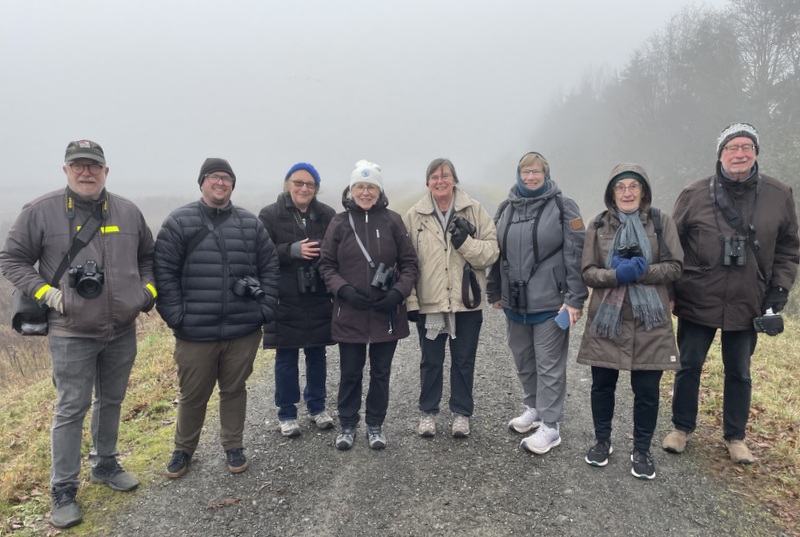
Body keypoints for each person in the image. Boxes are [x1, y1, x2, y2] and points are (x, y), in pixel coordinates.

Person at [0, 140, 156, 528]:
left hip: (121, 328)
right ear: (65, 170)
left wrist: (146, 294)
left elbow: (149, 258)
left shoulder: (128, 211)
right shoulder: (41, 210)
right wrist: (46, 294)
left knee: (112, 400)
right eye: (78, 166)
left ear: (106, 171)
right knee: (71, 409)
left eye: (93, 166)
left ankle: (105, 464)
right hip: (71, 331)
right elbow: (11, 258)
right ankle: (63, 489)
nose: (86, 172)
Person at [663, 123, 799, 464]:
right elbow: (670, 247)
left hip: (749, 299)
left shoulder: (779, 194)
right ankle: (681, 428)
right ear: (720, 154)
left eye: (746, 147)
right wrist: (668, 291)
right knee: (689, 365)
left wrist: (779, 289)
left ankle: (735, 437)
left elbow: (788, 248)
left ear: (756, 153)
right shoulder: (693, 194)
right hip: (698, 296)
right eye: (732, 148)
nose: (739, 154)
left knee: (739, 370)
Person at [154, 158, 279, 478]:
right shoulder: (179, 222)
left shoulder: (250, 224)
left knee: (234, 390)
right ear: (202, 183)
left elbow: (270, 267)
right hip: (195, 330)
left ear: (233, 185)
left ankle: (233, 445)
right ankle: (183, 450)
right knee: (193, 394)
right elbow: (163, 273)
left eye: (226, 178)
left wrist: (264, 309)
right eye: (214, 177)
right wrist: (176, 316)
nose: (220, 183)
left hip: (243, 328)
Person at [577, 163, 684, 480]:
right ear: (612, 192)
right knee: (602, 386)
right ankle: (602, 441)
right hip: (607, 320)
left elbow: (675, 266)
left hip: (648, 320)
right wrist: (615, 275)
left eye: (633, 186)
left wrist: (642, 272)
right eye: (620, 186)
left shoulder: (661, 222)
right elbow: (587, 272)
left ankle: (642, 449)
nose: (627, 192)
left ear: (643, 191)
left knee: (647, 390)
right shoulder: (598, 225)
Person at [487, 151, 588, 455]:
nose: (531, 177)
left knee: (549, 365)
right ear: (518, 175)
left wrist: (574, 299)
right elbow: (497, 253)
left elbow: (576, 253)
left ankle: (551, 426)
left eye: (536, 172)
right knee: (523, 360)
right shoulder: (506, 208)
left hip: (551, 304)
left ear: (546, 174)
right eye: (525, 172)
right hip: (515, 303)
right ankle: (534, 408)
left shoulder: (563, 206)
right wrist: (494, 291)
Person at [318, 160, 418, 451]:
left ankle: (375, 424)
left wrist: (398, 293)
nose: (365, 192)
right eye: (359, 186)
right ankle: (348, 424)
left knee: (381, 373)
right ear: (351, 190)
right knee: (350, 372)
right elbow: (326, 265)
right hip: (350, 312)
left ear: (379, 190)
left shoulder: (392, 221)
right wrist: (344, 290)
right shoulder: (338, 222)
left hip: (386, 313)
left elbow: (410, 263)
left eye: (371, 187)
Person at [402, 158, 498, 438]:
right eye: (434, 176)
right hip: (430, 302)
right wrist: (410, 300)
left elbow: (491, 252)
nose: (440, 181)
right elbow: (405, 261)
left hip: (466, 301)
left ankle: (461, 414)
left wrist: (465, 244)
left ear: (455, 180)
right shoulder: (414, 216)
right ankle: (428, 413)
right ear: (428, 182)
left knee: (464, 360)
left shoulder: (475, 210)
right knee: (430, 360)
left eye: (445, 175)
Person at [258, 162, 336, 437]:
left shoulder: (327, 215)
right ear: (288, 184)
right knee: (286, 356)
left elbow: (337, 249)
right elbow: (261, 254)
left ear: (316, 188)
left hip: (317, 294)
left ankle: (317, 408)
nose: (304, 188)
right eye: (298, 183)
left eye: (310, 184)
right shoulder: (269, 214)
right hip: (284, 296)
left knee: (317, 353)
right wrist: (290, 250)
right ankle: (287, 413)